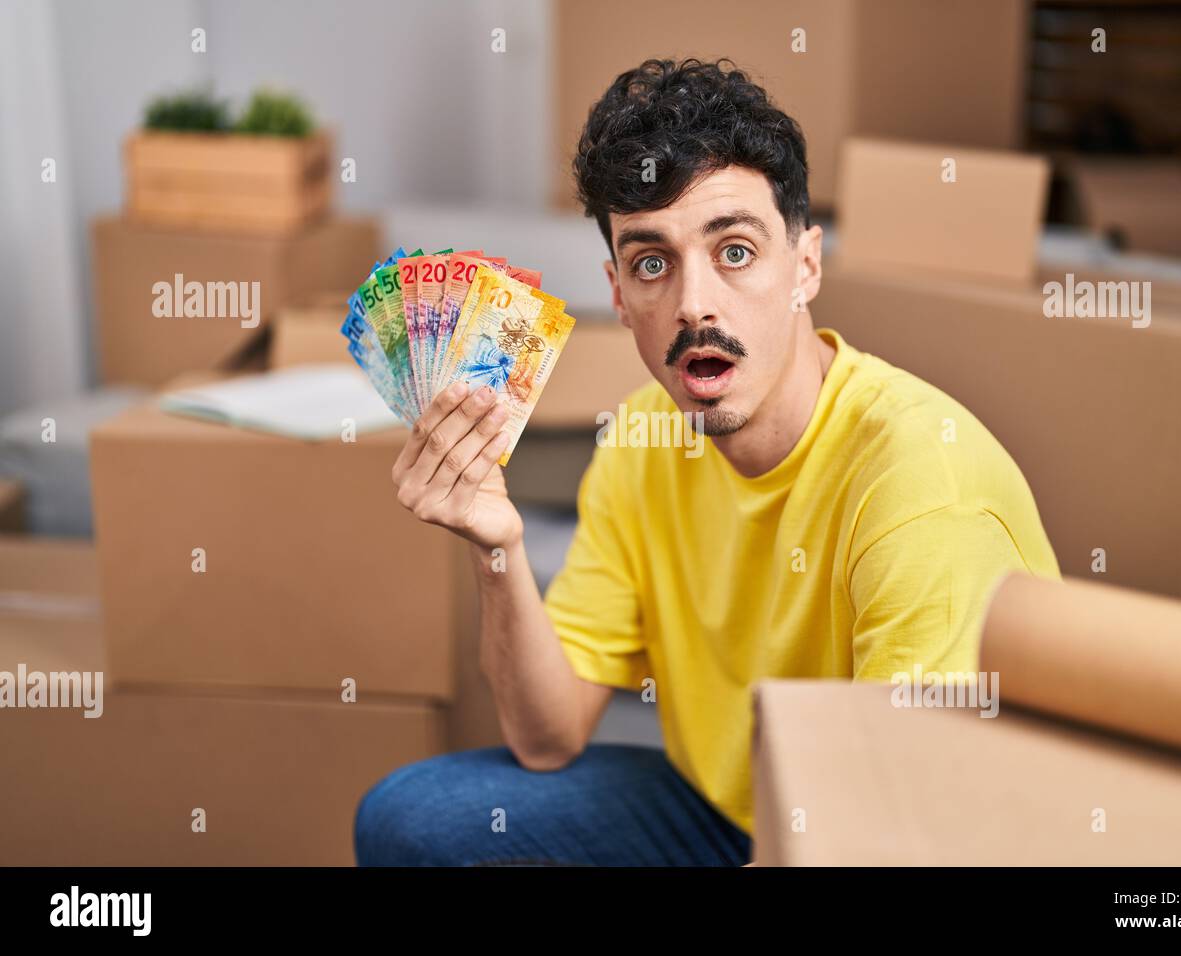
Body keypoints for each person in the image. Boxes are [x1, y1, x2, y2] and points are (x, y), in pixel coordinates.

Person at [354, 58, 1060, 866]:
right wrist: (496, 546)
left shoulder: (920, 480)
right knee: (412, 817)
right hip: (734, 812)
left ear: (805, 266)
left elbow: (885, 824)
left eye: (734, 251)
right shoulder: (644, 439)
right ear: (618, 295)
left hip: (912, 837)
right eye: (653, 262)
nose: (694, 304)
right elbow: (545, 740)